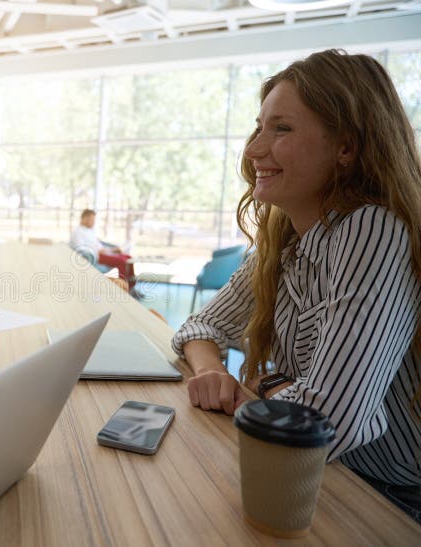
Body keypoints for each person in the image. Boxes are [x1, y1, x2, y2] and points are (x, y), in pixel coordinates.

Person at [171, 49, 421, 522]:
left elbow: (326, 422)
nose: (254, 149)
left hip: (390, 499)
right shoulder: (285, 237)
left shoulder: (372, 230)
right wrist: (212, 373)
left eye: (281, 129)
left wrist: (259, 383)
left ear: (345, 147)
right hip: (327, 474)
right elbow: (200, 326)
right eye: (259, 127)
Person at [70, 209, 135, 284]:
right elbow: (80, 249)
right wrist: (100, 251)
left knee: (128, 258)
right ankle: (123, 287)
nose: (93, 222)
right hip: (96, 256)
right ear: (84, 218)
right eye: (91, 220)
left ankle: (132, 286)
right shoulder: (77, 232)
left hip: (104, 252)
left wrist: (112, 250)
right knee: (122, 262)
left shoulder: (90, 231)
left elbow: (98, 244)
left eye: (93, 220)